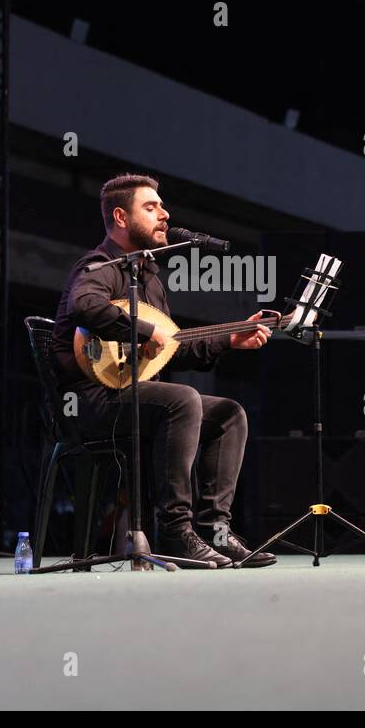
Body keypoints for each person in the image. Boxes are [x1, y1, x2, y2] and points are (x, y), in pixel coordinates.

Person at [51, 173, 276, 568]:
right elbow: (85, 306)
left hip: (134, 397)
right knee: (183, 399)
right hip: (91, 403)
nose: (164, 214)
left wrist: (229, 340)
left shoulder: (149, 279)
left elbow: (167, 348)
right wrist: (143, 329)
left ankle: (214, 531)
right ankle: (174, 531)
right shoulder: (99, 266)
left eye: (162, 205)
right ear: (121, 217)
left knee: (228, 414)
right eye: (151, 207)